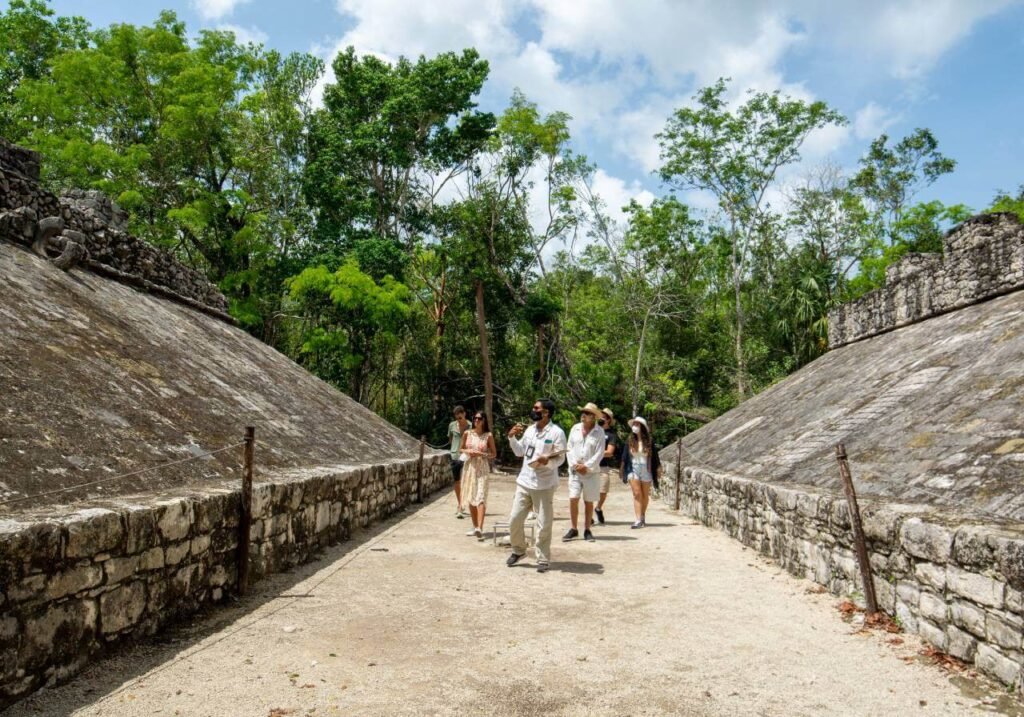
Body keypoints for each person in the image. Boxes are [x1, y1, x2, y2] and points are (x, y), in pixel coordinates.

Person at [505, 398, 566, 573]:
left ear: (546, 412)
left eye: (536, 408)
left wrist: (546, 462)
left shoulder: (556, 432)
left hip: (544, 484)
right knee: (515, 519)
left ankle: (543, 558)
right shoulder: (530, 430)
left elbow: (561, 458)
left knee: (544, 524)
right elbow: (520, 452)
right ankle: (518, 550)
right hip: (524, 481)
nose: (533, 410)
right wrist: (511, 437)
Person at [563, 402, 606, 542]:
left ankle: (587, 529)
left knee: (588, 501)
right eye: (583, 412)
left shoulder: (600, 432)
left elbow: (599, 453)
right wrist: (575, 465)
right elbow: (568, 448)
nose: (583, 415)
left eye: (587, 413)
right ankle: (573, 528)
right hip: (575, 471)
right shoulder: (575, 428)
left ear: (593, 417)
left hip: (591, 472)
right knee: (573, 498)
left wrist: (586, 466)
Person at [459, 411, 497, 539]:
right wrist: (468, 451)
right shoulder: (467, 433)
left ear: (484, 420)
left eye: (479, 418)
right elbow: (461, 449)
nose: (476, 420)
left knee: (480, 497)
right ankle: (475, 526)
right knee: (471, 496)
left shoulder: (488, 435)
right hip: (470, 467)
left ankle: (480, 528)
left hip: (482, 468)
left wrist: (482, 454)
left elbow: (494, 453)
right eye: (475, 418)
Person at [621, 416, 661, 529]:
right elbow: (624, 456)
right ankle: (638, 520)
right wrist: (622, 468)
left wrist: (658, 468)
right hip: (633, 469)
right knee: (637, 493)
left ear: (642, 427)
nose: (635, 426)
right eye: (634, 424)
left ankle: (642, 515)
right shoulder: (629, 440)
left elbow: (655, 457)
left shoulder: (649, 441)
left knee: (644, 495)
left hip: (646, 469)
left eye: (637, 424)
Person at [594, 407, 621, 525]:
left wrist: (594, 454)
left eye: (605, 417)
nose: (602, 418)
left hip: (603, 467)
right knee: (587, 492)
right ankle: (589, 515)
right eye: (601, 416)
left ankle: (598, 507)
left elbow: (609, 452)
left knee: (603, 491)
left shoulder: (611, 435)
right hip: (590, 467)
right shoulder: (592, 431)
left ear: (609, 420)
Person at [447, 406, 470, 518]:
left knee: (465, 481)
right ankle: (460, 504)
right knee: (457, 481)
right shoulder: (452, 425)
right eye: (456, 416)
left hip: (466, 456)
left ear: (464, 414)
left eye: (460, 415)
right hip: (454, 455)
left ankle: (463, 504)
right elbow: (450, 439)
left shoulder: (470, 426)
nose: (458, 418)